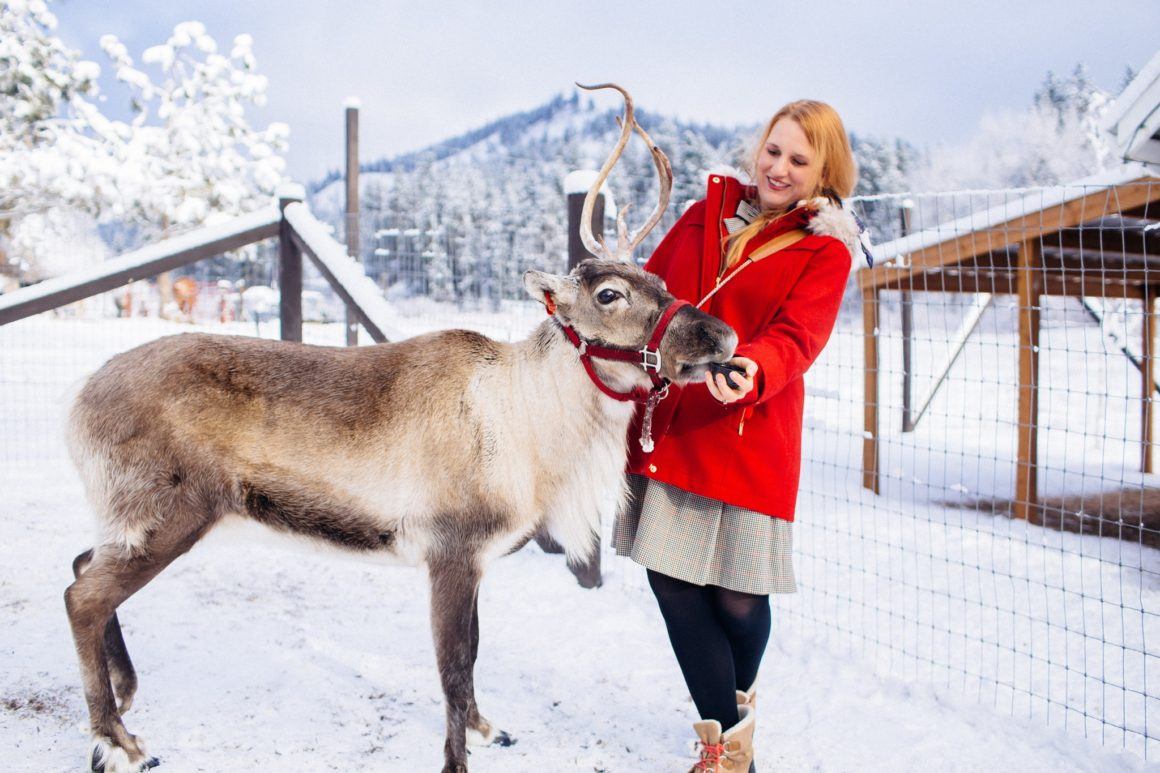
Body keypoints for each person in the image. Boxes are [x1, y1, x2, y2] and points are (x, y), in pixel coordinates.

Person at [614, 99, 863, 773]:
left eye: (798, 160)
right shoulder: (706, 214)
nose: (778, 167)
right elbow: (652, 293)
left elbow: (796, 336)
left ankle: (733, 701)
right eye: (773, 150)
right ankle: (727, 748)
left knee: (739, 597)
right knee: (670, 579)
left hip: (748, 425)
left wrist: (754, 367)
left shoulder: (825, 248)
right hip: (676, 422)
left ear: (823, 171)